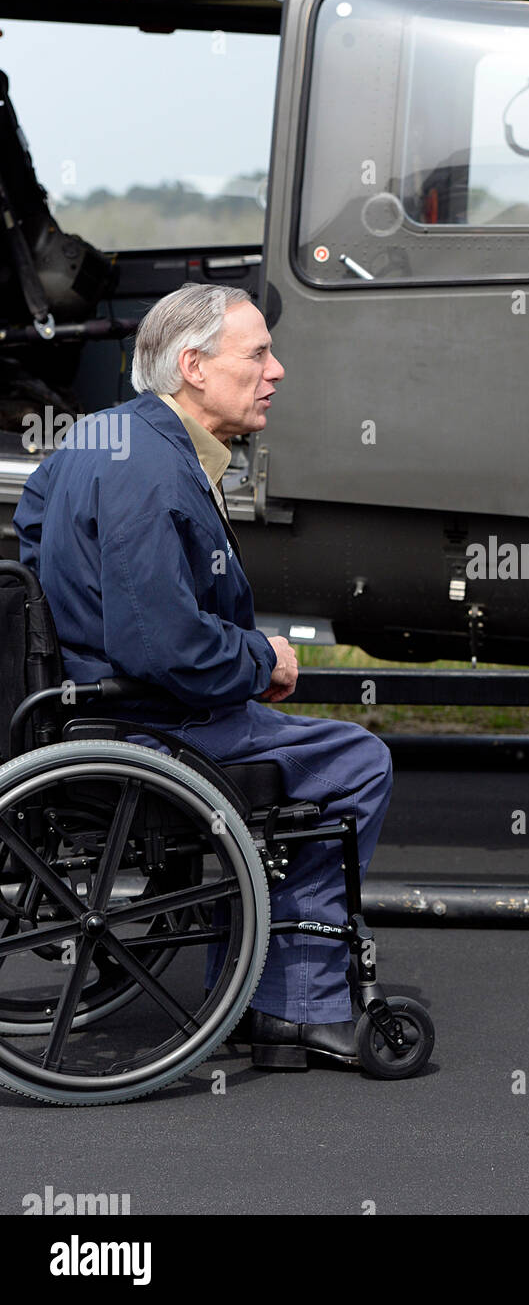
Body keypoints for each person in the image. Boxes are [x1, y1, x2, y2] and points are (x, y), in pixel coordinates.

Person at [13, 282, 393, 1068]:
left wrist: (81, 634)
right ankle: (289, 1004)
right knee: (357, 763)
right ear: (192, 366)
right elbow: (161, 646)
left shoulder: (97, 438)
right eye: (257, 354)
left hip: (89, 708)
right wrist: (262, 658)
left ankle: (253, 968)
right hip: (150, 722)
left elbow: (34, 534)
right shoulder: (155, 470)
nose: (276, 371)